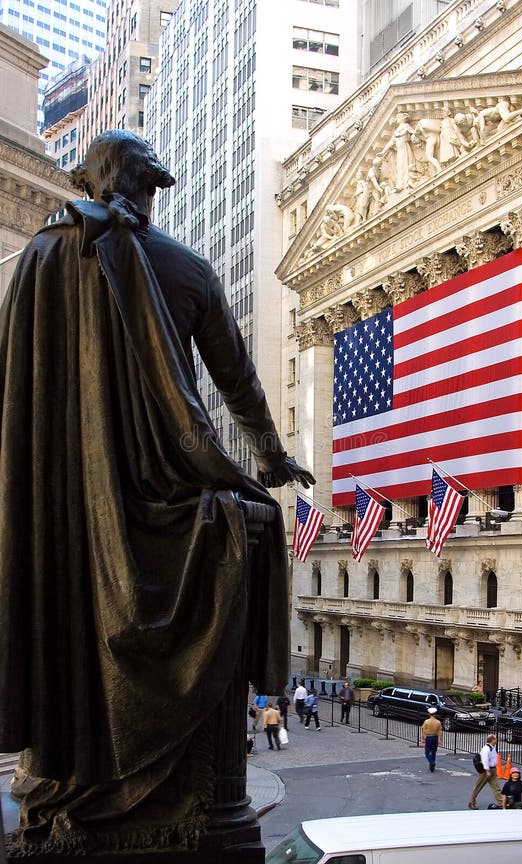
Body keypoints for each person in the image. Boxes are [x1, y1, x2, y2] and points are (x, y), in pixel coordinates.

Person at [0, 130, 315, 857]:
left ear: (91, 183)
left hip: (64, 508)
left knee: (237, 525)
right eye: (151, 188)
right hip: (162, 498)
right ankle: (198, 781)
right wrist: (269, 460)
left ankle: (77, 779)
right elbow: (237, 380)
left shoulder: (40, 259)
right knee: (254, 521)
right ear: (147, 188)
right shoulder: (184, 266)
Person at [468, 734, 503, 809]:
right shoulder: (486, 749)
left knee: (496, 786)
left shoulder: (492, 748)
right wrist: (487, 770)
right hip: (486, 770)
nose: (496, 740)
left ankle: (501, 803)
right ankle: (472, 802)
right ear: (492, 740)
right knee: (479, 786)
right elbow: (485, 760)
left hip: (493, 769)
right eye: (495, 739)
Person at [421, 706, 443, 773]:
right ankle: (432, 762)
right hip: (435, 737)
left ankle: (431, 762)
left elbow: (423, 730)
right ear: (435, 714)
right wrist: (439, 740)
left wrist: (423, 738)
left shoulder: (426, 722)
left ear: (429, 714)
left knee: (427, 752)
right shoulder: (438, 722)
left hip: (429, 737)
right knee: (434, 751)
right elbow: (440, 731)